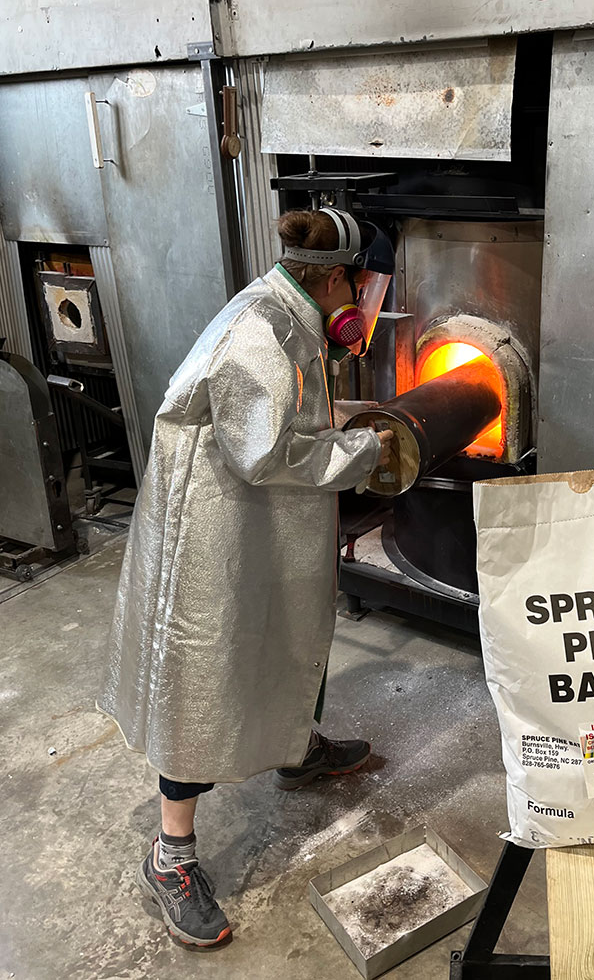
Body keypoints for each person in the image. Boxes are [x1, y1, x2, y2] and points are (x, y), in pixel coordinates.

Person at [98, 207, 395, 950]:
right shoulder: (259, 330)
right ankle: (170, 856)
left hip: (259, 506)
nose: (366, 303)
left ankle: (294, 748)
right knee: (204, 671)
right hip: (216, 518)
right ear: (332, 277)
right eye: (363, 287)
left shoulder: (290, 307)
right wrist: (362, 450)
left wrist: (345, 418)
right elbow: (267, 451)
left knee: (291, 624)